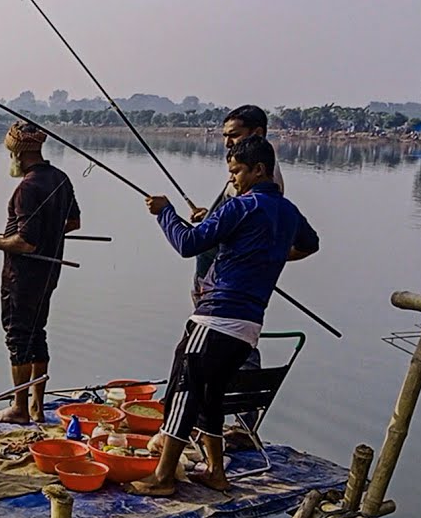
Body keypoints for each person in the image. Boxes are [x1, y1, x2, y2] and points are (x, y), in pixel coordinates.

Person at [129, 136, 318, 497]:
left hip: (216, 317)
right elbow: (311, 244)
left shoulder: (241, 207)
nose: (232, 180)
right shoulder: (289, 211)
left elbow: (186, 244)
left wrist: (165, 212)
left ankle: (163, 476)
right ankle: (216, 471)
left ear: (259, 170)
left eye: (236, 172)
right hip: (248, 326)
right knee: (211, 393)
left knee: (185, 389)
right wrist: (267, 257)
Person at [0, 121, 82, 424]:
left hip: (22, 278)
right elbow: (73, 223)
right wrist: (51, 232)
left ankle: (19, 408)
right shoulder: (60, 179)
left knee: (18, 337)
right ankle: (36, 405)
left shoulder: (27, 188)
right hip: (49, 273)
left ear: (18, 154)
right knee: (37, 333)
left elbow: (25, 242)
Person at [190, 105, 286, 435]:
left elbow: (259, 229)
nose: (227, 143)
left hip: (229, 290)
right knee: (214, 355)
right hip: (214, 282)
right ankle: (216, 424)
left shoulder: (263, 179)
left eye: (234, 135)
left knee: (235, 351)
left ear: (257, 134)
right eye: (225, 137)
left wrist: (168, 216)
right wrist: (210, 216)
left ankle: (243, 426)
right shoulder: (243, 174)